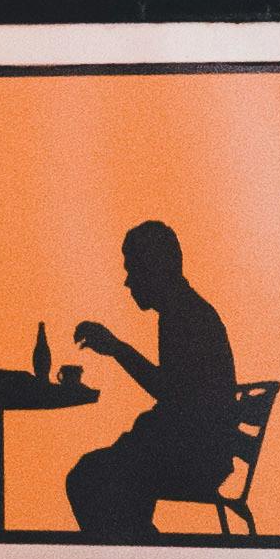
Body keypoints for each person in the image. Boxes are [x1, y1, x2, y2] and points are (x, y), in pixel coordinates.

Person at [62, 220, 239, 541]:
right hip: (197, 450)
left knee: (87, 477)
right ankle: (144, 549)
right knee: (108, 479)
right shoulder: (186, 311)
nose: (128, 282)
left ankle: (142, 554)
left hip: (194, 456)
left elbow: (170, 391)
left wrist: (117, 348)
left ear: (154, 268)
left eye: (133, 270)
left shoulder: (183, 316)